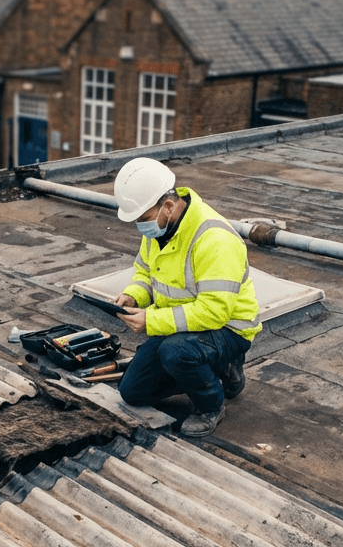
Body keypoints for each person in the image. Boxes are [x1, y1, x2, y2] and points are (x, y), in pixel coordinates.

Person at [111, 157, 262, 438]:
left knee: (175, 353)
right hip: (180, 327)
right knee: (133, 392)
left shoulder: (215, 240)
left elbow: (215, 311)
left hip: (228, 328)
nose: (141, 228)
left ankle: (211, 405)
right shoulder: (159, 229)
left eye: (143, 220)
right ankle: (213, 368)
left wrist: (152, 320)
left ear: (168, 206)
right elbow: (145, 272)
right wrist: (133, 296)